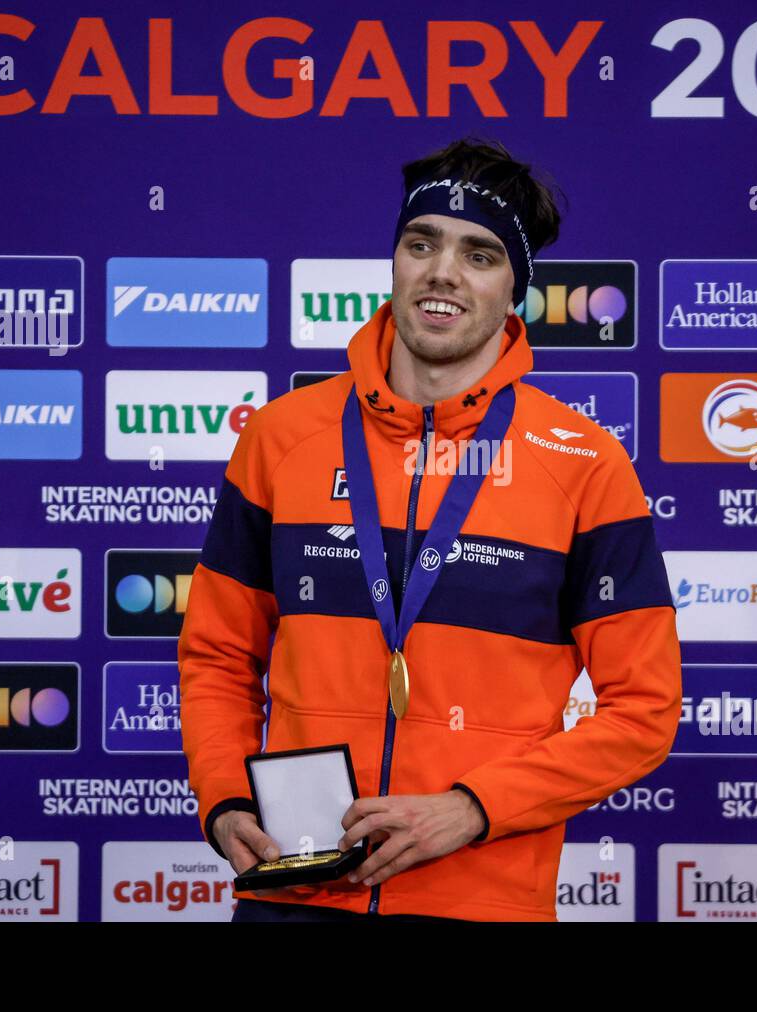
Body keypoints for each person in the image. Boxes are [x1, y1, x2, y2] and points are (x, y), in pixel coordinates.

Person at [178, 136, 681, 923]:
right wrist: (225, 797)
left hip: (482, 899)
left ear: (517, 287)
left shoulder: (584, 462)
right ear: (396, 261)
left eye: (479, 254)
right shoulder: (282, 438)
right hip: (296, 893)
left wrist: (471, 807)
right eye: (422, 244)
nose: (442, 271)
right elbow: (218, 654)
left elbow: (643, 711)